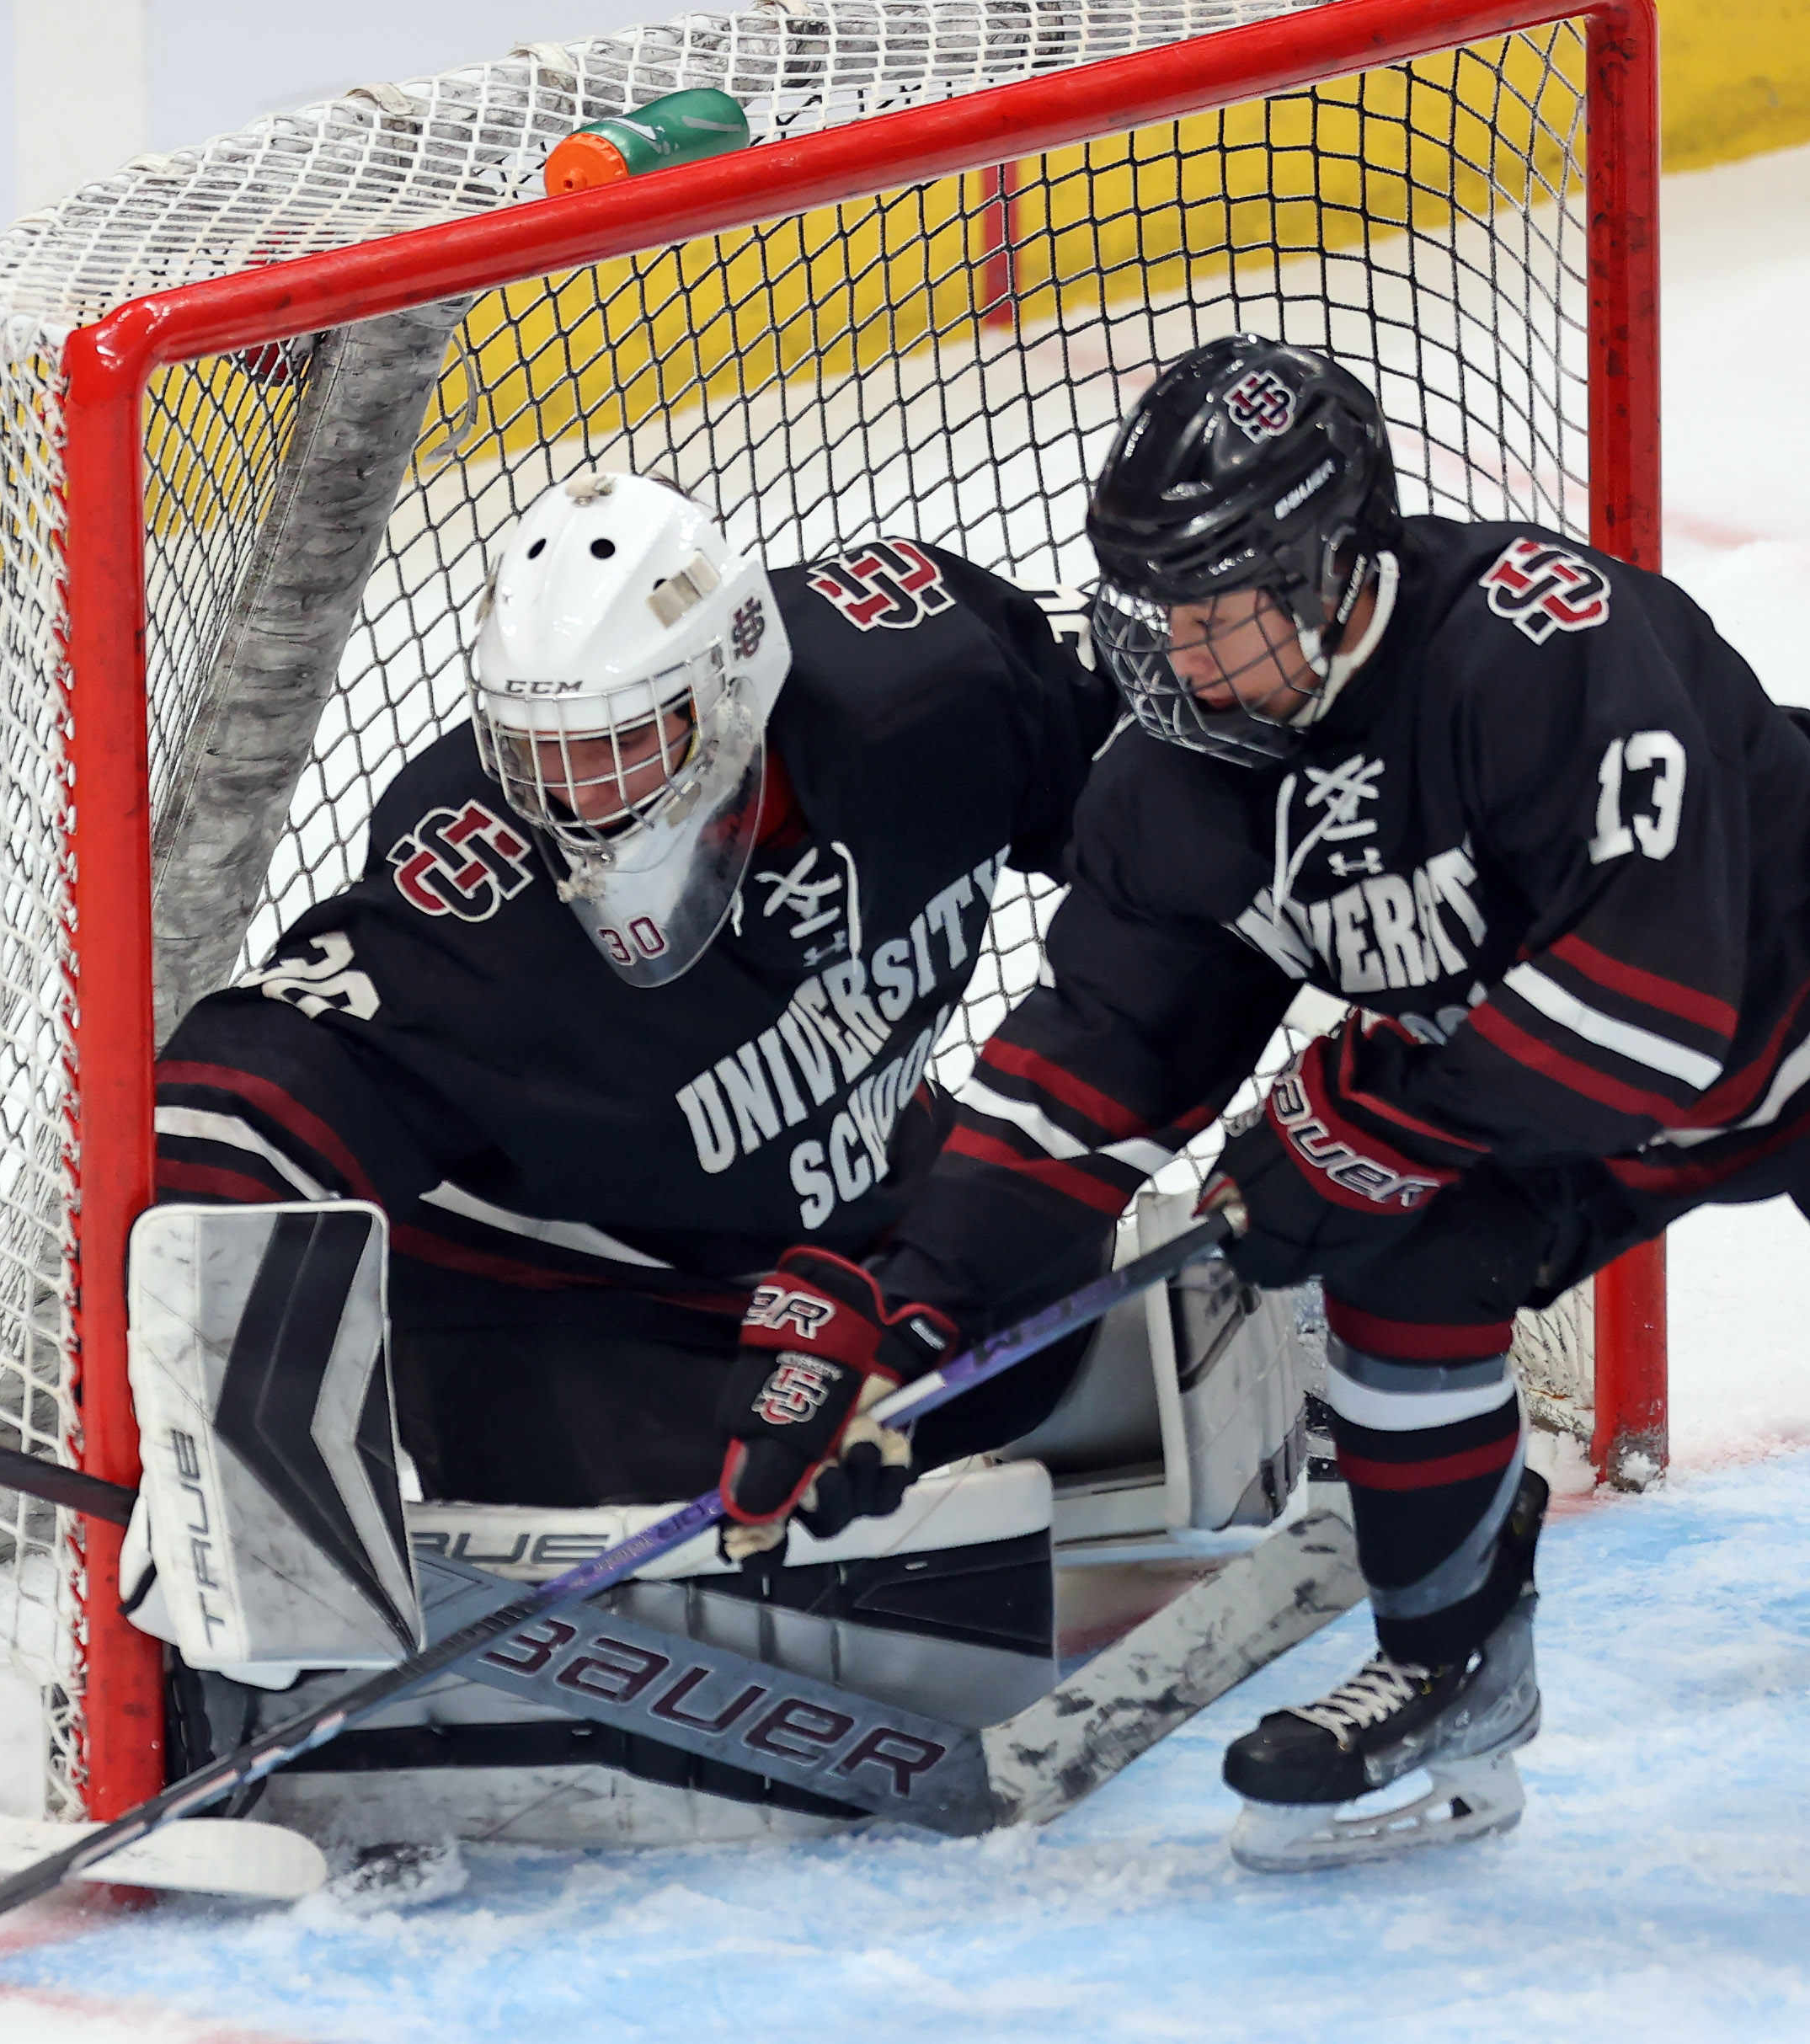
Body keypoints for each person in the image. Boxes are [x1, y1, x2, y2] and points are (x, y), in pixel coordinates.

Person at [734, 333, 1810, 1869]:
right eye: (1158, 608)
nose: (1178, 653)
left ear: (1328, 570)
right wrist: (913, 1326)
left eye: (1216, 613)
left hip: (1761, 1023)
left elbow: (1656, 1005)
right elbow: (1092, 1070)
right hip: (1560, 1109)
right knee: (1397, 1265)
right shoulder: (1178, 785)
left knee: (1373, 1173)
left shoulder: (1535, 642)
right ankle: (1445, 1668)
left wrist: (1374, 1117)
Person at [145, 471, 1115, 1828]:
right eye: (540, 755)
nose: (577, 800)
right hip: (579, 1294)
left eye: (621, 744)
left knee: (1060, 1290)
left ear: (732, 682)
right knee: (724, 1519)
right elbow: (224, 1097)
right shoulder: (476, 879)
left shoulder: (927, 683)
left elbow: (1155, 795)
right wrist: (224, 1453)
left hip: (852, 1227)